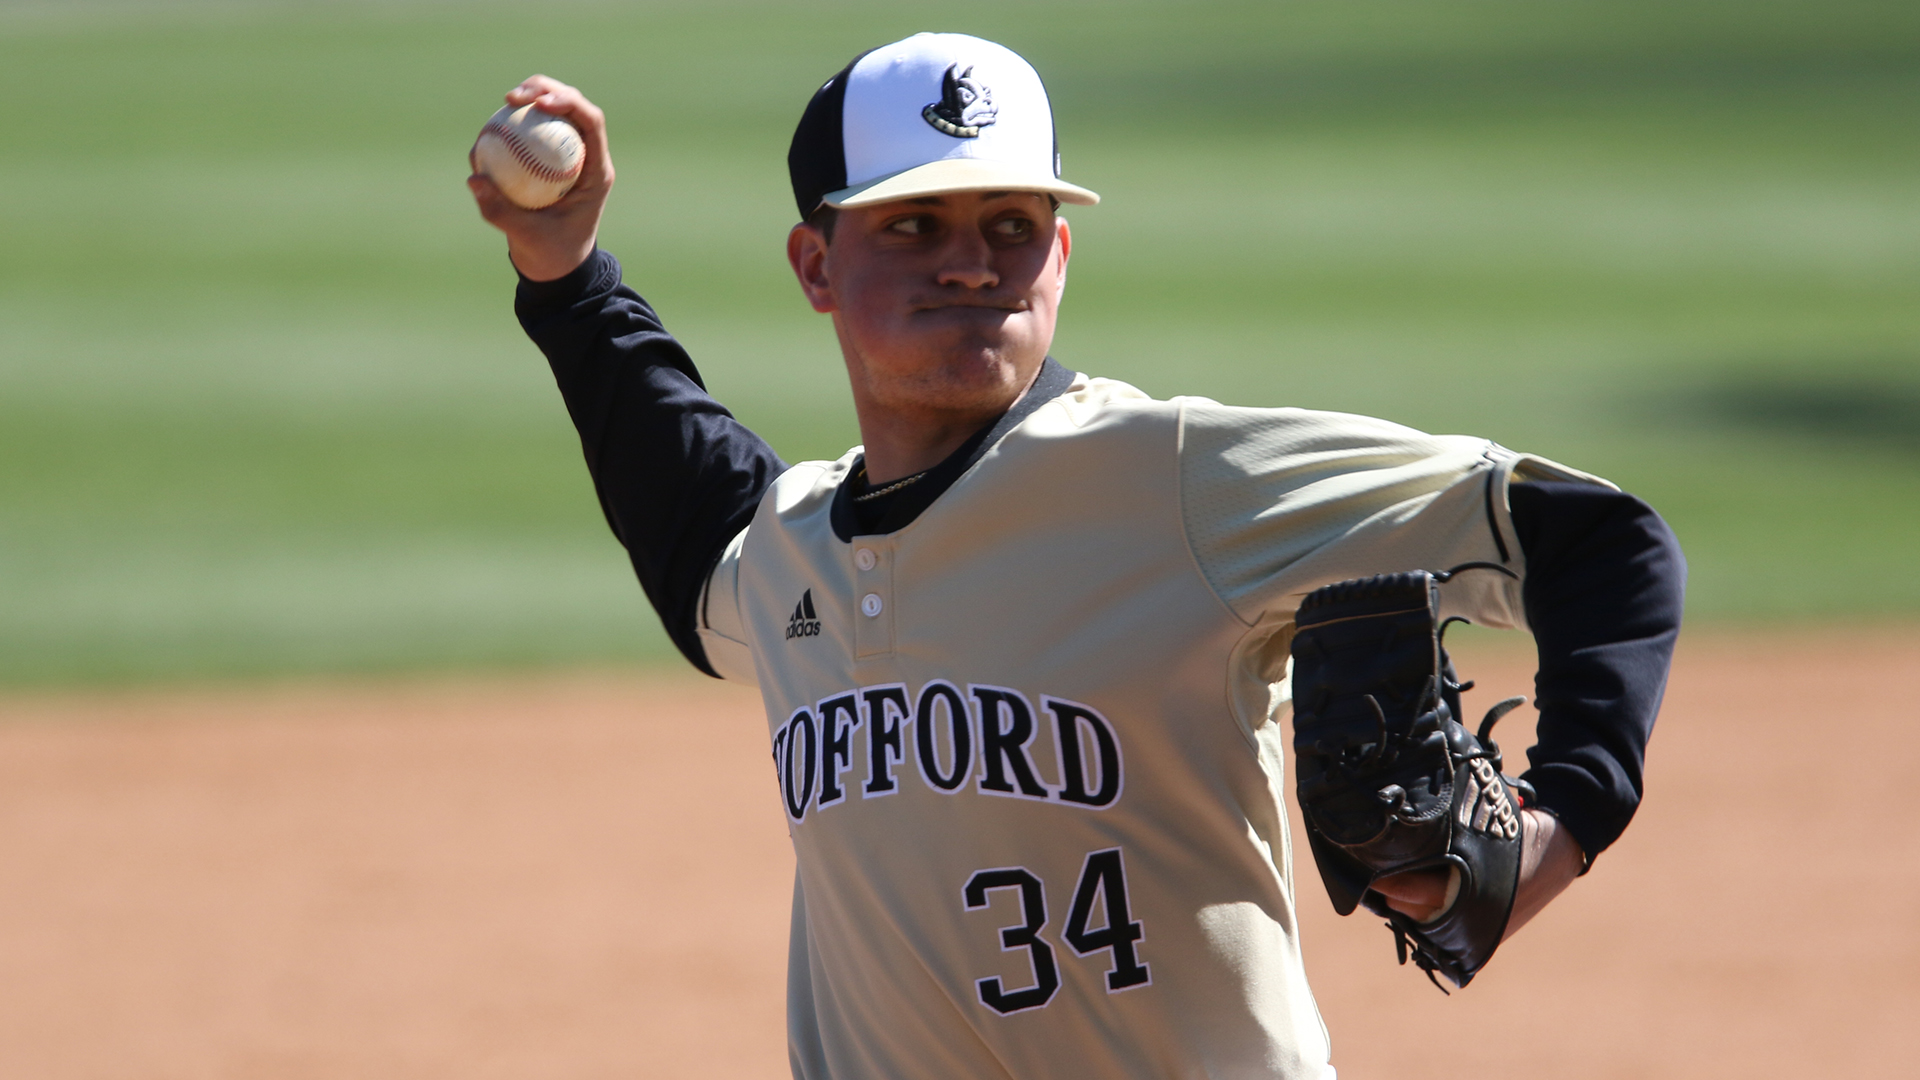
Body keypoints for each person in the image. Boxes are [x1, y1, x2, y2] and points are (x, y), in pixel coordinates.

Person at [468, 32, 1684, 1079]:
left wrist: (1556, 824)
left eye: (1012, 223)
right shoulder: (793, 553)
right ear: (816, 266)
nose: (970, 259)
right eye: (914, 224)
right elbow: (700, 538)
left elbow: (1596, 539)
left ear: (1059, 254)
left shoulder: (1176, 479)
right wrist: (566, 279)